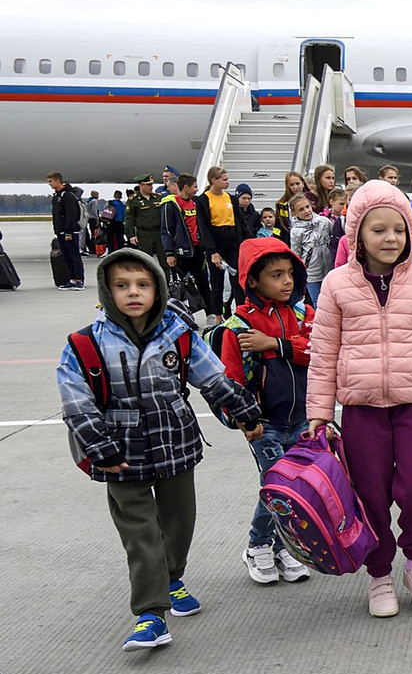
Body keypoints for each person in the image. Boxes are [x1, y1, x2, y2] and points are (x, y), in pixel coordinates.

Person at [57, 249, 262, 651]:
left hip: (175, 446)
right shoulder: (84, 344)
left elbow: (213, 378)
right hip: (118, 452)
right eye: (122, 285)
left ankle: (172, 578)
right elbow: (75, 402)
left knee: (178, 522)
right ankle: (151, 614)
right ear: (106, 290)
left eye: (142, 285)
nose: (133, 293)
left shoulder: (180, 335)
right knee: (140, 533)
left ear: (158, 289)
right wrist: (100, 447)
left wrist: (243, 410)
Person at [305, 180, 412, 618]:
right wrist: (320, 411)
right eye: (377, 230)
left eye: (398, 230)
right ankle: (379, 572)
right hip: (360, 410)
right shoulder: (337, 284)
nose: (390, 239)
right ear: (356, 233)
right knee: (371, 496)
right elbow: (323, 353)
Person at [216, 237, 314, 586]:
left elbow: (319, 349)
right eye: (276, 275)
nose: (287, 281)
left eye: (290, 273)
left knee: (297, 488)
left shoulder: (303, 313)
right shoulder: (238, 326)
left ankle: (285, 545)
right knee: (276, 488)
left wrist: (274, 344)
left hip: (302, 420)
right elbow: (231, 380)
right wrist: (245, 420)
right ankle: (258, 545)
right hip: (266, 425)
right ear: (252, 281)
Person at [160, 174, 215, 315]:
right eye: (195, 186)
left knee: (203, 282)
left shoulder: (196, 202)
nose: (197, 190)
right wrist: (169, 253)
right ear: (186, 187)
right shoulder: (170, 204)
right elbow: (166, 230)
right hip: (180, 252)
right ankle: (183, 315)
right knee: (182, 287)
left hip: (197, 250)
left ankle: (211, 313)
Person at [197, 166, 245, 323]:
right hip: (216, 241)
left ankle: (240, 312)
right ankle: (218, 316)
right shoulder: (204, 200)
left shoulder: (230, 198)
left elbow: (239, 222)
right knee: (217, 283)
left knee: (237, 279)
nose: (227, 183)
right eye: (224, 180)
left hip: (232, 241)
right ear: (214, 180)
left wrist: (247, 240)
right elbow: (203, 227)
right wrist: (212, 251)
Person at [288, 194, 333, 303]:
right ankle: (319, 320)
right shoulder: (296, 231)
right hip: (311, 273)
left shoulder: (324, 222)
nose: (306, 211)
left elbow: (334, 240)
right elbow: (296, 253)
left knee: (331, 299)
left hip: (329, 268)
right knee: (317, 301)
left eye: (307, 207)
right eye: (301, 209)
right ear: (294, 213)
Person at [47, 172, 85, 290]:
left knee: (74, 255)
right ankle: (72, 279)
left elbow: (71, 215)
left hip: (69, 231)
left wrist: (68, 231)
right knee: (66, 256)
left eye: (50, 181)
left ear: (58, 181)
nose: (49, 184)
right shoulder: (57, 196)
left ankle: (79, 280)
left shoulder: (67, 195)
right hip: (61, 231)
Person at [124, 174, 166, 265]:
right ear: (141, 185)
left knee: (164, 260)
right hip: (144, 233)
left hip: (159, 232)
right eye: (148, 185)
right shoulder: (133, 200)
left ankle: (165, 278)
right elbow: (129, 218)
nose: (151, 187)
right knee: (146, 261)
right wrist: (131, 235)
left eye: (151, 185)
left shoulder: (158, 197)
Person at [274, 171, 308, 239]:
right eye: (292, 185)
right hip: (289, 239)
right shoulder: (281, 205)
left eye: (297, 183)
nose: (295, 187)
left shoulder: (312, 201)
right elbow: (278, 227)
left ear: (303, 183)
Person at [102, 190, 126, 254]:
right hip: (119, 222)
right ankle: (120, 251)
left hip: (110, 222)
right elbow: (124, 214)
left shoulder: (110, 203)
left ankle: (110, 250)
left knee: (110, 238)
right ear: (121, 196)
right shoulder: (122, 205)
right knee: (119, 238)